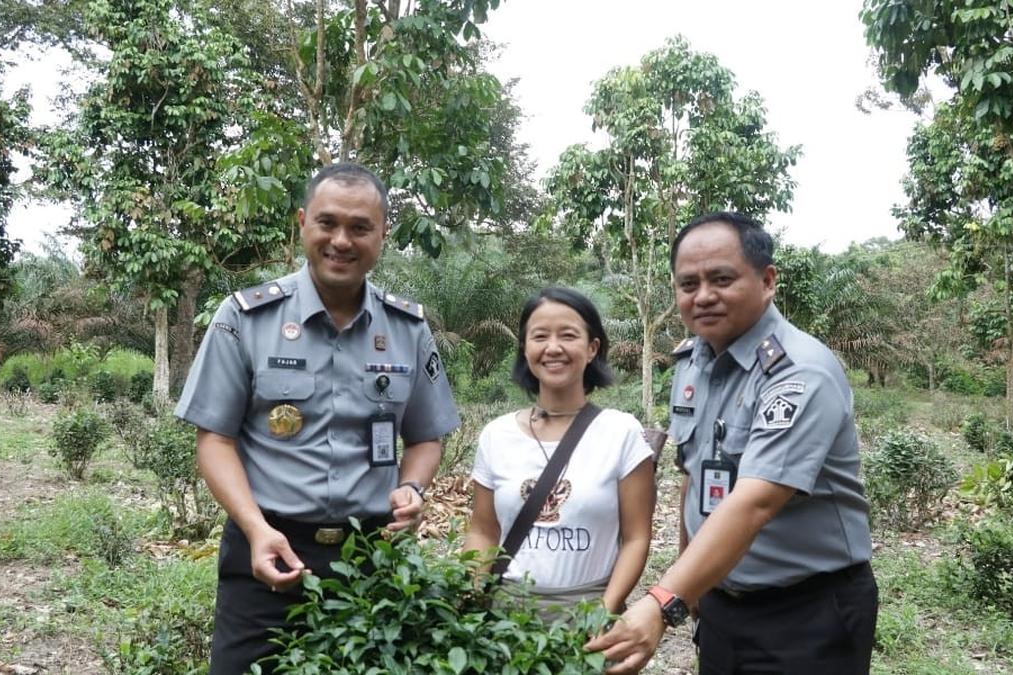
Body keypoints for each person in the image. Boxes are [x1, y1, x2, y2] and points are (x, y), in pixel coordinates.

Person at [174, 162, 461, 675]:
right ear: (303, 223)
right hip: (267, 554)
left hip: (371, 559)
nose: (341, 241)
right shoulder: (244, 318)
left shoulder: (408, 329)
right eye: (327, 223)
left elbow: (425, 436)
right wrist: (256, 530)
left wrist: (413, 489)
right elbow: (214, 439)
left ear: (382, 235)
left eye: (360, 228)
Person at [587, 212, 876, 673]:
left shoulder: (798, 372)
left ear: (766, 280)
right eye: (688, 284)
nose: (703, 296)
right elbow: (694, 474)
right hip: (721, 599)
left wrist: (664, 600)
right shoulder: (692, 362)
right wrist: (691, 579)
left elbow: (754, 502)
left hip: (808, 611)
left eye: (721, 279)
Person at [463, 288, 655, 620]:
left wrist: (603, 615)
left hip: (588, 612)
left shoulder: (621, 433)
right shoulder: (497, 435)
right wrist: (474, 598)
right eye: (539, 336)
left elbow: (636, 538)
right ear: (525, 348)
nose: (553, 347)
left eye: (568, 335)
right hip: (505, 620)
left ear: (592, 348)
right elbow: (482, 530)